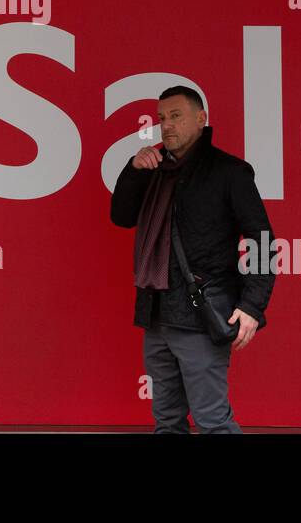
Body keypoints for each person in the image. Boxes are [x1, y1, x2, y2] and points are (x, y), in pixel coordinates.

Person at [110, 85, 276, 434]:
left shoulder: (230, 171)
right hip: (155, 313)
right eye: (161, 118)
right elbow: (122, 216)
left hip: (201, 316)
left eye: (175, 116)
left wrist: (252, 305)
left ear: (201, 119)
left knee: (213, 423)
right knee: (167, 423)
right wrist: (133, 170)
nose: (166, 125)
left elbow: (262, 239)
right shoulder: (153, 167)